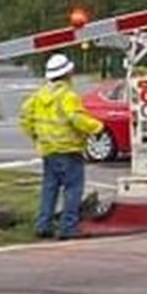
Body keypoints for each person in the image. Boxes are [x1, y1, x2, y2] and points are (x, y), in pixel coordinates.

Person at [19, 53, 106, 240]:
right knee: (73, 190)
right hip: (69, 151)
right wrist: (97, 127)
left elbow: (25, 118)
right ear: (68, 73)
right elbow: (76, 118)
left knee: (49, 189)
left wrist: (36, 137)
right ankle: (68, 228)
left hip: (49, 151)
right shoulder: (68, 96)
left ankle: (43, 226)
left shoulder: (38, 96)